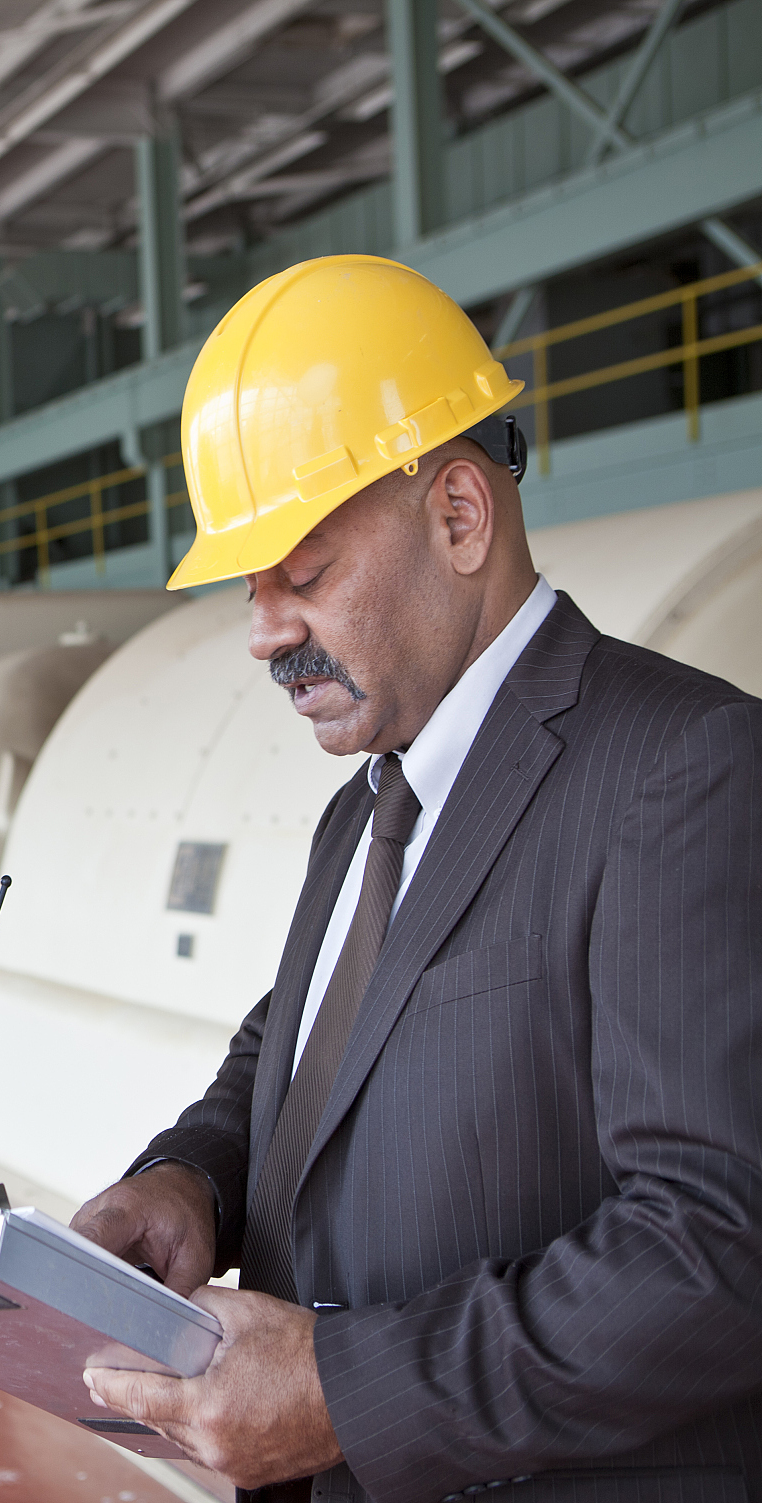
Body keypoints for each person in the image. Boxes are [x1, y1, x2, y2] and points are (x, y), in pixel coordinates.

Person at [71, 256, 762, 1500]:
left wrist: (344, 1394)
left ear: (456, 515)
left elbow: (714, 1244)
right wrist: (192, 1179)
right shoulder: (365, 810)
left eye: (304, 572)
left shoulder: (677, 766)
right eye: (249, 585)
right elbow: (302, 1045)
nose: (262, 632)